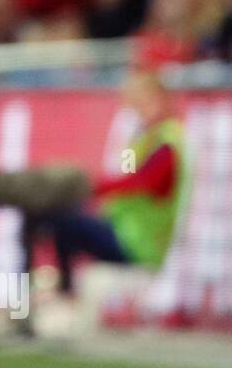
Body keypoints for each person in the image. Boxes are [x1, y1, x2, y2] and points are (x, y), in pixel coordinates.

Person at [20, 67, 188, 324]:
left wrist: (91, 188)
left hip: (136, 245)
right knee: (54, 221)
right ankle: (45, 296)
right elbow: (129, 178)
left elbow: (146, 182)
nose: (137, 108)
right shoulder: (146, 138)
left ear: (162, 98)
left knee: (62, 222)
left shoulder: (168, 141)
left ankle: (61, 298)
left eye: (142, 100)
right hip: (124, 233)